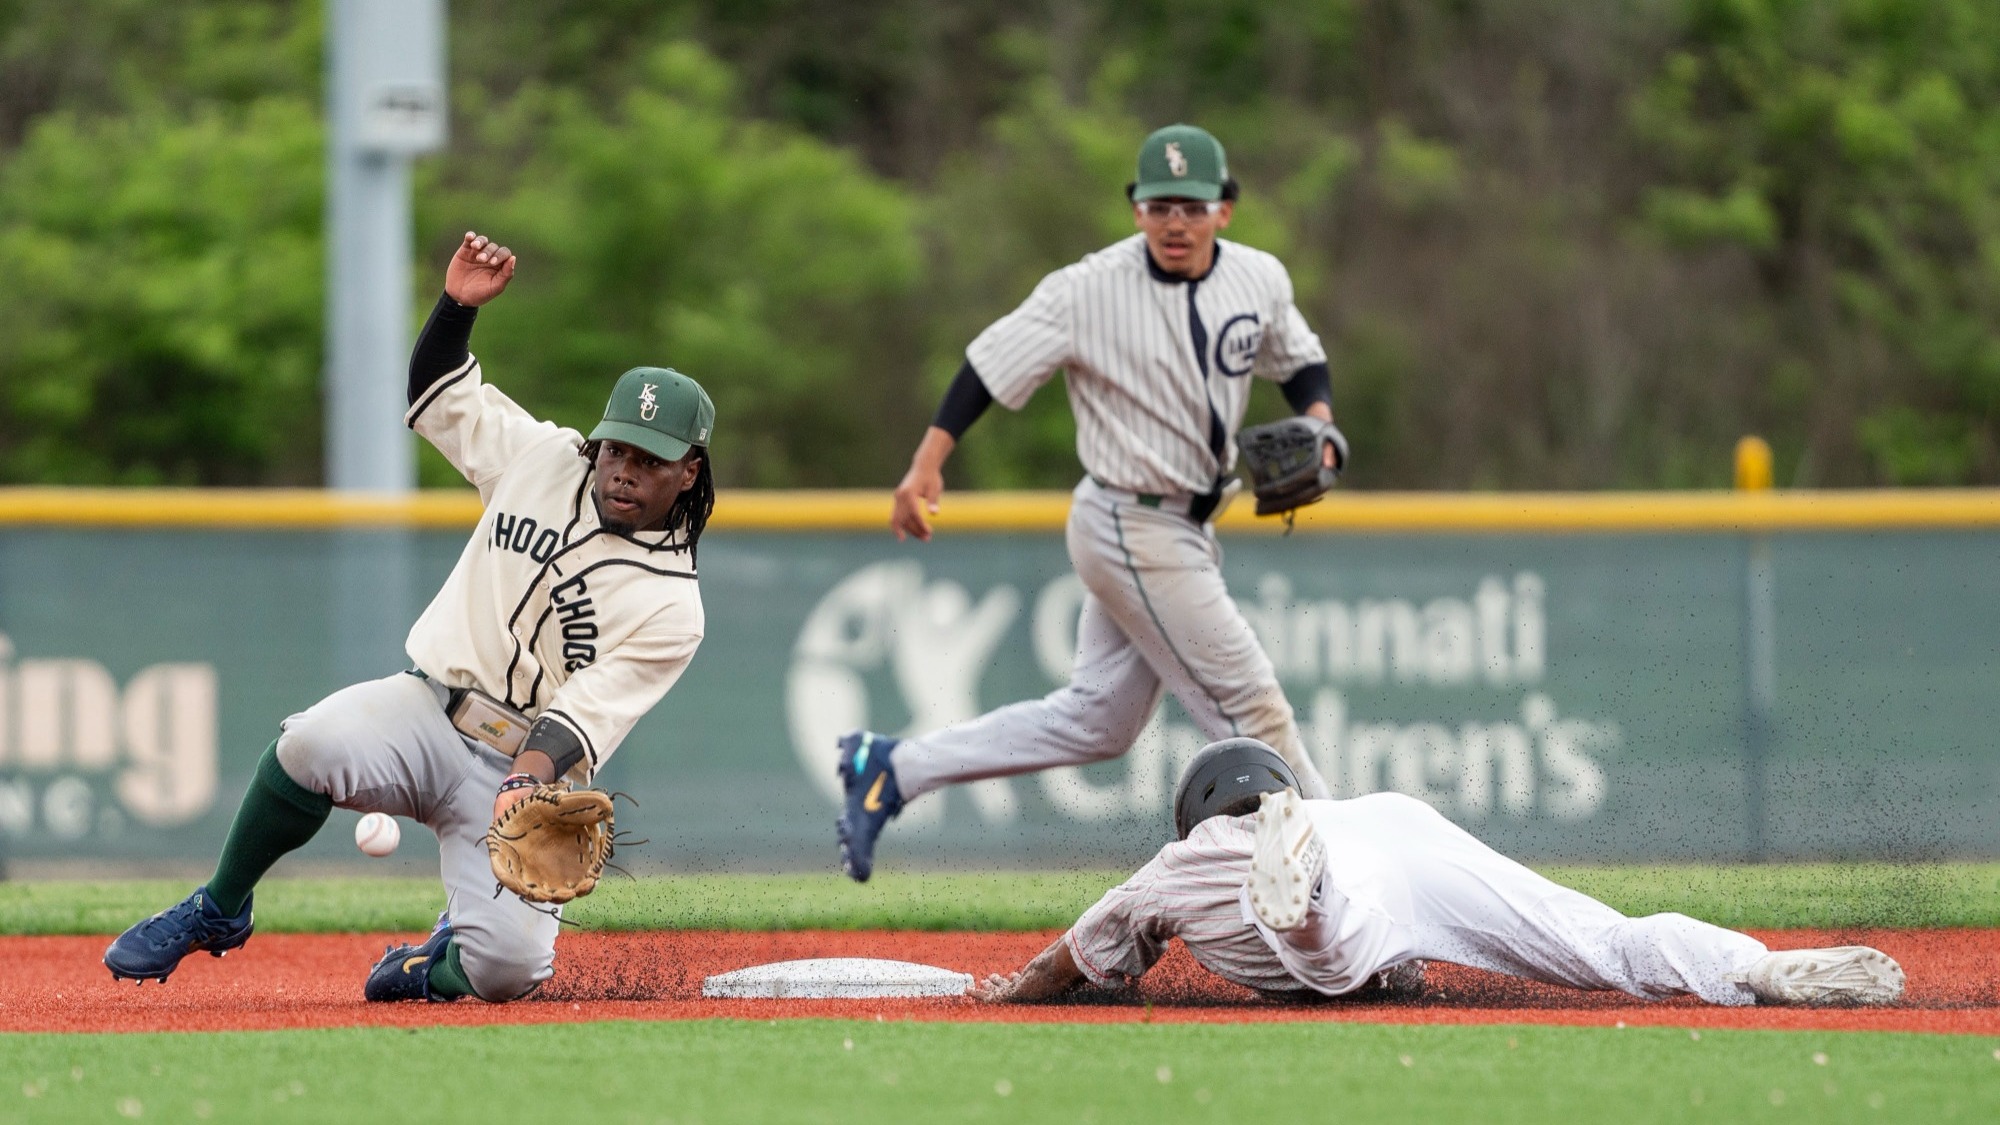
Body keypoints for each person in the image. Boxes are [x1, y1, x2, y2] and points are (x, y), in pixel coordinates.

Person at [103, 231, 714, 1003]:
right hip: (428, 710)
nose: (624, 469)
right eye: (617, 448)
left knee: (507, 972)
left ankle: (436, 959)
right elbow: (438, 395)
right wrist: (456, 306)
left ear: (688, 470)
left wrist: (523, 782)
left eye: (650, 459)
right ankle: (219, 906)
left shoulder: (671, 605)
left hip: (520, 768)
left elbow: (584, 712)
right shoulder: (543, 457)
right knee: (310, 743)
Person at [836, 123, 1340, 882]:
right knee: (1252, 706)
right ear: (1136, 209)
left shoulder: (1257, 278)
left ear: (1224, 209)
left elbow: (1300, 361)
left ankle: (894, 767)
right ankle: (1345, 871)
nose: (1176, 221)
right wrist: (926, 464)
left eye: (1192, 206)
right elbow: (988, 363)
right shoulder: (1087, 290)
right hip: (1128, 520)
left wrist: (1320, 424)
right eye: (1160, 205)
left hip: (1188, 525)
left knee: (1098, 719)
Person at [964, 738, 1907, 1008]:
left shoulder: (1176, 863)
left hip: (1330, 885)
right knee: (1604, 940)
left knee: (1325, 946)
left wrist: (1014, 991)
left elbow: (1072, 955)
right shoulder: (1345, 811)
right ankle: (1754, 966)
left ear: (1199, 810)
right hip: (1396, 826)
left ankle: (1302, 894)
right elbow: (1404, 973)